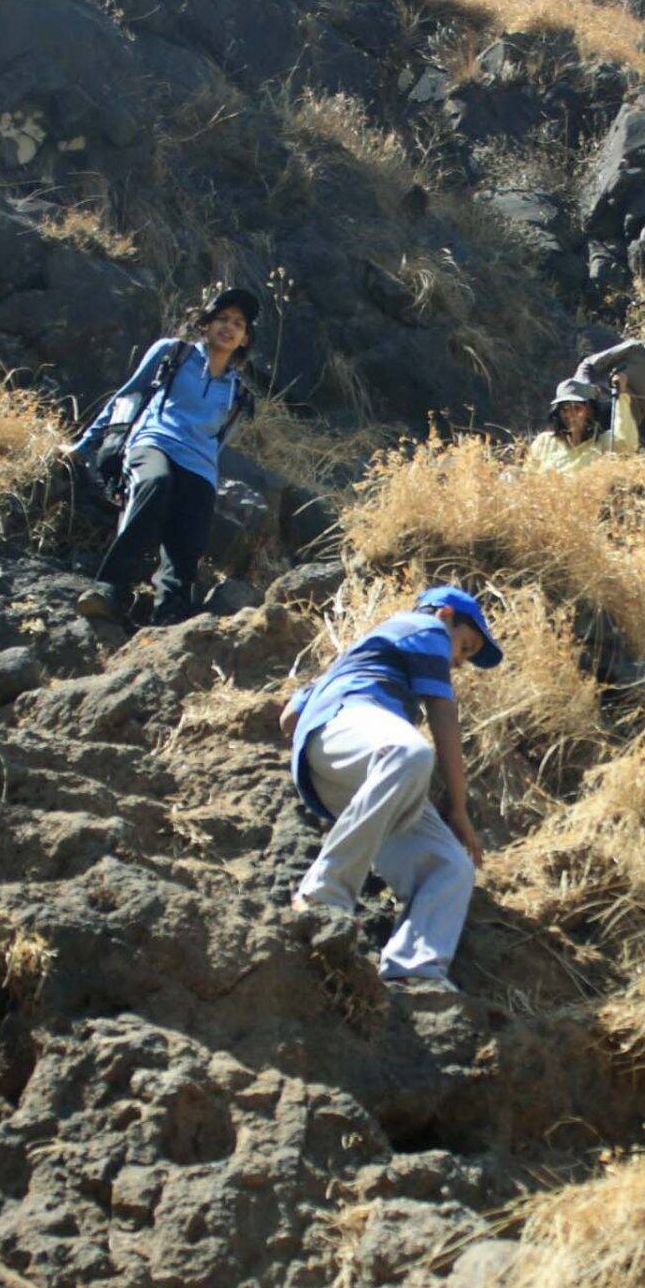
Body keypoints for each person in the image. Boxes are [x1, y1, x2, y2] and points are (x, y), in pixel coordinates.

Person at [280, 585, 503, 990]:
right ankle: (323, 897)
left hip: (338, 765)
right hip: (356, 726)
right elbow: (443, 718)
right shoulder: (424, 628)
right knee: (410, 752)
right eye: (466, 647)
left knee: (451, 864)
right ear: (446, 615)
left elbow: (289, 718)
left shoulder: (361, 655)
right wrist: (459, 810)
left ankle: (416, 970)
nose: (457, 662)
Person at [74, 287, 261, 626]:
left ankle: (170, 617)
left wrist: (205, 475)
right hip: (154, 442)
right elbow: (126, 396)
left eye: (238, 323)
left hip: (201, 466)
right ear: (206, 323)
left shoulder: (239, 393)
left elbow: (218, 440)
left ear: (245, 338)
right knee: (156, 483)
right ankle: (109, 587)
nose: (229, 327)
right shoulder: (173, 353)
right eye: (222, 318)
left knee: (189, 535)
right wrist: (83, 445)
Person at [526, 374, 641, 472]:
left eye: (577, 408)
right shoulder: (544, 443)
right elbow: (528, 478)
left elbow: (627, 443)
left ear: (590, 411)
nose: (570, 415)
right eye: (565, 409)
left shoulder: (603, 444)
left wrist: (620, 395)